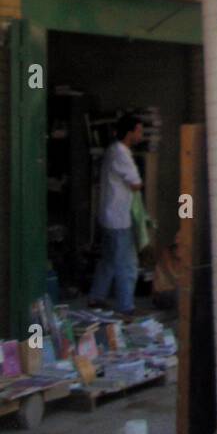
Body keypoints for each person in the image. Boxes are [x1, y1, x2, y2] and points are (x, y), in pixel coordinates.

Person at [90, 113, 144, 317]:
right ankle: (126, 306)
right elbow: (135, 183)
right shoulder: (122, 153)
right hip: (119, 217)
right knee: (127, 263)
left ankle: (97, 296)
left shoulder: (113, 150)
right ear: (130, 132)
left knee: (109, 259)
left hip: (108, 215)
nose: (141, 135)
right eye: (139, 130)